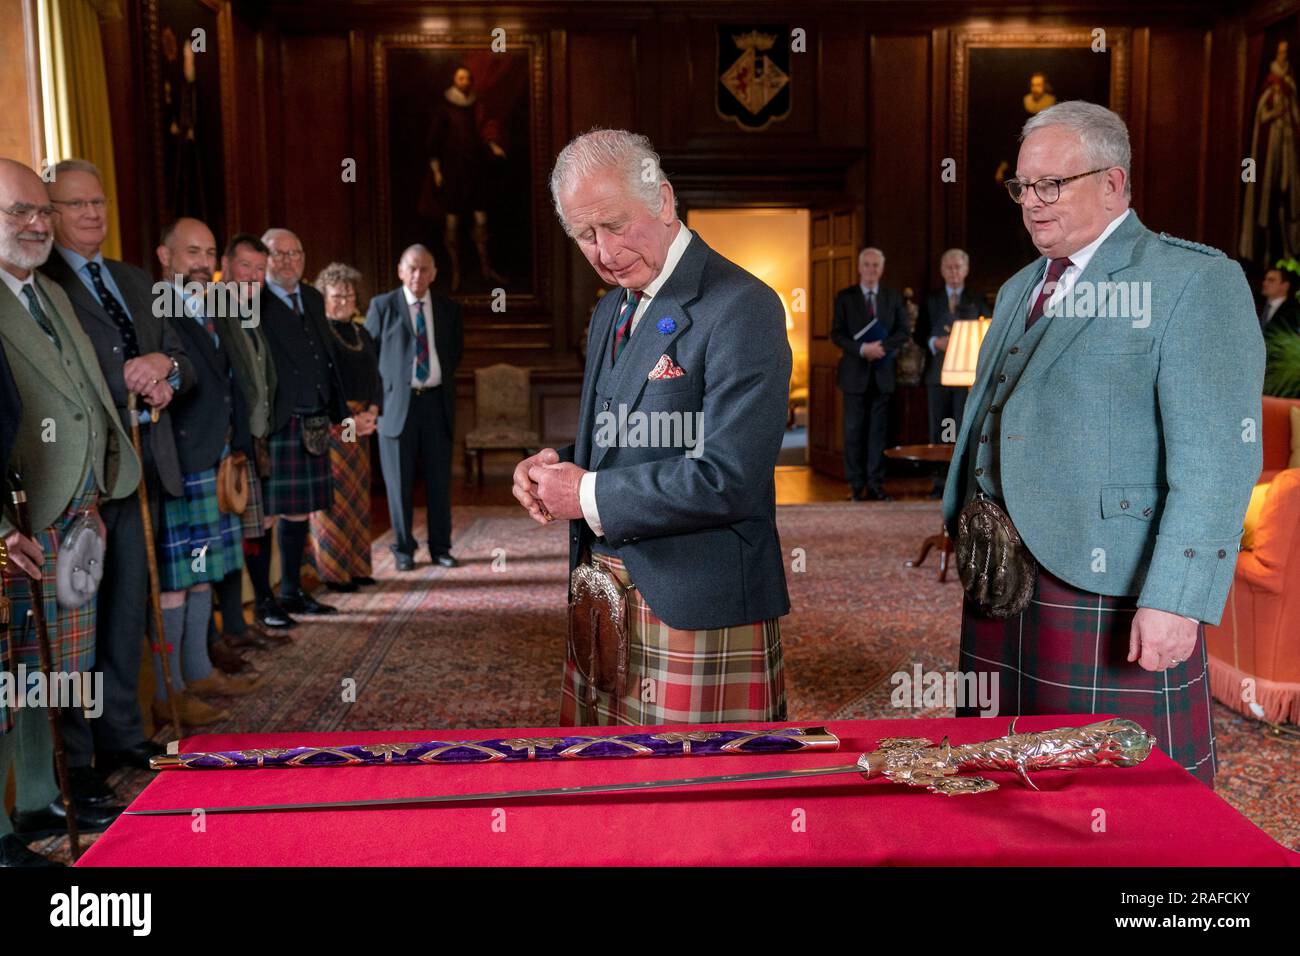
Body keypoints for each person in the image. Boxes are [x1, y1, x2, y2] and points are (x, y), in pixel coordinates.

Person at [942, 100, 1264, 788]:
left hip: (1110, 585)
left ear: (1114, 184)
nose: (1031, 203)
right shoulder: (1020, 288)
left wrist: (1177, 598)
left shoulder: (1193, 281)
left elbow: (1218, 458)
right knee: (1000, 772)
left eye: (1051, 184)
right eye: (1022, 187)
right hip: (1001, 578)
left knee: (1119, 792)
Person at [515, 129, 791, 726]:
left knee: (699, 811)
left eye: (615, 226)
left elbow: (728, 477)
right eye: (585, 235)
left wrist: (582, 493)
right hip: (602, 599)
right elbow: (617, 442)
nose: (604, 252)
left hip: (695, 604)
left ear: (664, 201)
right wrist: (551, 467)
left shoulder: (743, 305)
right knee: (603, 801)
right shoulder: (612, 306)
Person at [40, 159, 196, 801]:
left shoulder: (134, 279)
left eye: (98, 202)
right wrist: (124, 379)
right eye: (75, 204)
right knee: (81, 617)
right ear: (49, 214)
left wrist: (166, 367)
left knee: (129, 609)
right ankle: (76, 759)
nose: (92, 214)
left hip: (141, 468)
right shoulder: (40, 285)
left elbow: (183, 359)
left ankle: (123, 732)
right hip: (78, 479)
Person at [0, 158, 141, 864]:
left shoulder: (45, 292)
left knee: (53, 666)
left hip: (80, 510)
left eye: (40, 212)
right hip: (23, 518)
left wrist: (103, 485)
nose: (36, 224)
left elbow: (88, 390)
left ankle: (37, 795)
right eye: (19, 212)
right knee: (15, 669)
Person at [155, 217, 261, 727]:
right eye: (190, 251)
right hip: (179, 462)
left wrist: (236, 443)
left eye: (209, 251)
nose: (201, 261)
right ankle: (168, 692)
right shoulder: (156, 308)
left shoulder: (214, 305)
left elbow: (229, 379)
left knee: (201, 576)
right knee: (176, 582)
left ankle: (197, 672)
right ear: (165, 256)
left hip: (214, 458)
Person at [257, 228, 347, 615]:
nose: (288, 261)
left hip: (314, 419)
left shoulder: (311, 297)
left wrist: (337, 411)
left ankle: (292, 592)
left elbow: (326, 357)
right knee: (264, 516)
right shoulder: (251, 300)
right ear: (265, 259)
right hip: (276, 422)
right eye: (278, 254)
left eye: (296, 253)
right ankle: (264, 601)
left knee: (299, 511)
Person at [212, 233, 291, 648]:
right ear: (225, 265)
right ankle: (236, 624)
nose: (254, 277)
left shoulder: (251, 314)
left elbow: (264, 380)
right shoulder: (213, 311)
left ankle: (261, 606)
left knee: (258, 528)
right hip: (229, 445)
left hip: (258, 441)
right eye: (246, 267)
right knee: (234, 535)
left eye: (261, 270)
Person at [365, 245, 463, 572]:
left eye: (424, 269)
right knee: (398, 484)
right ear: (400, 270)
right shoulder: (382, 307)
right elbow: (369, 360)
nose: (418, 276)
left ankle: (440, 548)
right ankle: (403, 549)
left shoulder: (449, 309)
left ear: (434, 273)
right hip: (395, 408)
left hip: (436, 403)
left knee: (438, 482)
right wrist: (376, 405)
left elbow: (454, 355)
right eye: (412, 269)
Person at [310, 263, 380, 591]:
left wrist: (373, 412)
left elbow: (377, 377)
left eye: (348, 296)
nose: (343, 302)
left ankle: (357, 566)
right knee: (336, 493)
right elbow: (323, 383)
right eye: (336, 296)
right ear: (324, 297)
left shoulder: (362, 333)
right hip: (336, 421)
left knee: (357, 493)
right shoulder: (320, 333)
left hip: (362, 421)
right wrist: (349, 419)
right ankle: (334, 573)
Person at [831, 247, 911, 501]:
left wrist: (881, 348)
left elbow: (903, 331)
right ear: (859, 267)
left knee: (878, 434)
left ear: (882, 268)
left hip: (883, 375)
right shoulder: (845, 297)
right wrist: (862, 348)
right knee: (853, 433)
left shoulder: (892, 297)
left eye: (876, 265)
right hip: (854, 376)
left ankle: (876, 485)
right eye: (867, 265)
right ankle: (855, 485)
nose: (871, 269)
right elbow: (836, 333)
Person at [915, 248, 985, 498]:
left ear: (966, 270)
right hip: (937, 374)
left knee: (961, 428)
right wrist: (936, 342)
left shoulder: (977, 299)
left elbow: (986, 332)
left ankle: (959, 483)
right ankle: (938, 483)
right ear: (942, 271)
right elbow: (919, 334)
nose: (954, 272)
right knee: (940, 428)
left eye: (958, 267)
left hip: (966, 376)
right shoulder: (931, 300)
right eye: (949, 267)